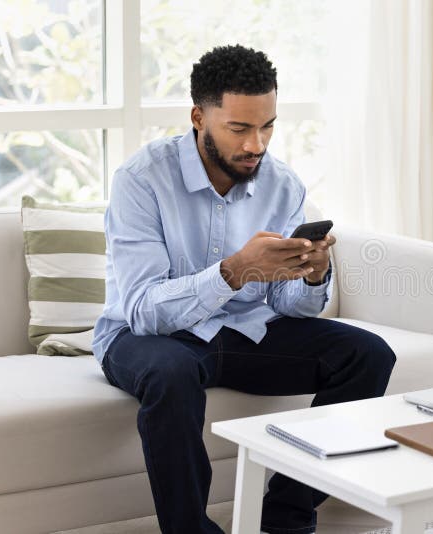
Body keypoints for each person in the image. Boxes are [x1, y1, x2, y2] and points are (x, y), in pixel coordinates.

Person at [92, 44, 396, 534]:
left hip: (240, 331)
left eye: (268, 125)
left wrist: (311, 274)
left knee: (369, 355)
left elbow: (287, 306)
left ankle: (285, 517)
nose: (257, 143)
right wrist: (234, 271)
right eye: (239, 128)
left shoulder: (282, 185)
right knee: (170, 373)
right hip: (144, 338)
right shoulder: (142, 179)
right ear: (199, 117)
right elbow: (143, 310)